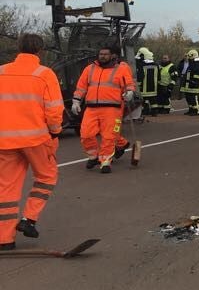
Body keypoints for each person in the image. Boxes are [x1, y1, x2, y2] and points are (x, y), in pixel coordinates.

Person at [0, 34, 64, 250]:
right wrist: (55, 133)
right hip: (35, 139)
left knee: (7, 189)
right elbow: (54, 109)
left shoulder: (1, 72)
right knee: (47, 176)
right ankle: (29, 219)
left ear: (18, 48)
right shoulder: (44, 74)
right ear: (40, 51)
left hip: (5, 141)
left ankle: (4, 240)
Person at [72, 43, 136, 173]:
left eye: (106, 54)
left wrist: (129, 92)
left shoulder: (122, 69)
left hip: (112, 108)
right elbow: (81, 87)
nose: (103, 56)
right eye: (101, 54)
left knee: (108, 136)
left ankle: (105, 161)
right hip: (91, 107)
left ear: (112, 55)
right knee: (86, 134)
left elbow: (129, 84)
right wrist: (76, 101)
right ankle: (94, 155)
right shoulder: (89, 69)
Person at [133, 47, 158, 121]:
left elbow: (140, 75)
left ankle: (145, 111)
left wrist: (138, 84)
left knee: (144, 100)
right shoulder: (155, 65)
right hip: (153, 86)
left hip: (144, 87)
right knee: (153, 100)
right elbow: (158, 76)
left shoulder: (141, 65)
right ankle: (154, 112)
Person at [180, 49, 199, 116]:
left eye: (190, 57)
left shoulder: (197, 64)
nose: (189, 58)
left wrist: (193, 81)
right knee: (189, 97)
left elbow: (198, 73)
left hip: (194, 84)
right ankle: (191, 110)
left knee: (194, 97)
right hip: (189, 84)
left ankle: (197, 111)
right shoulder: (192, 63)